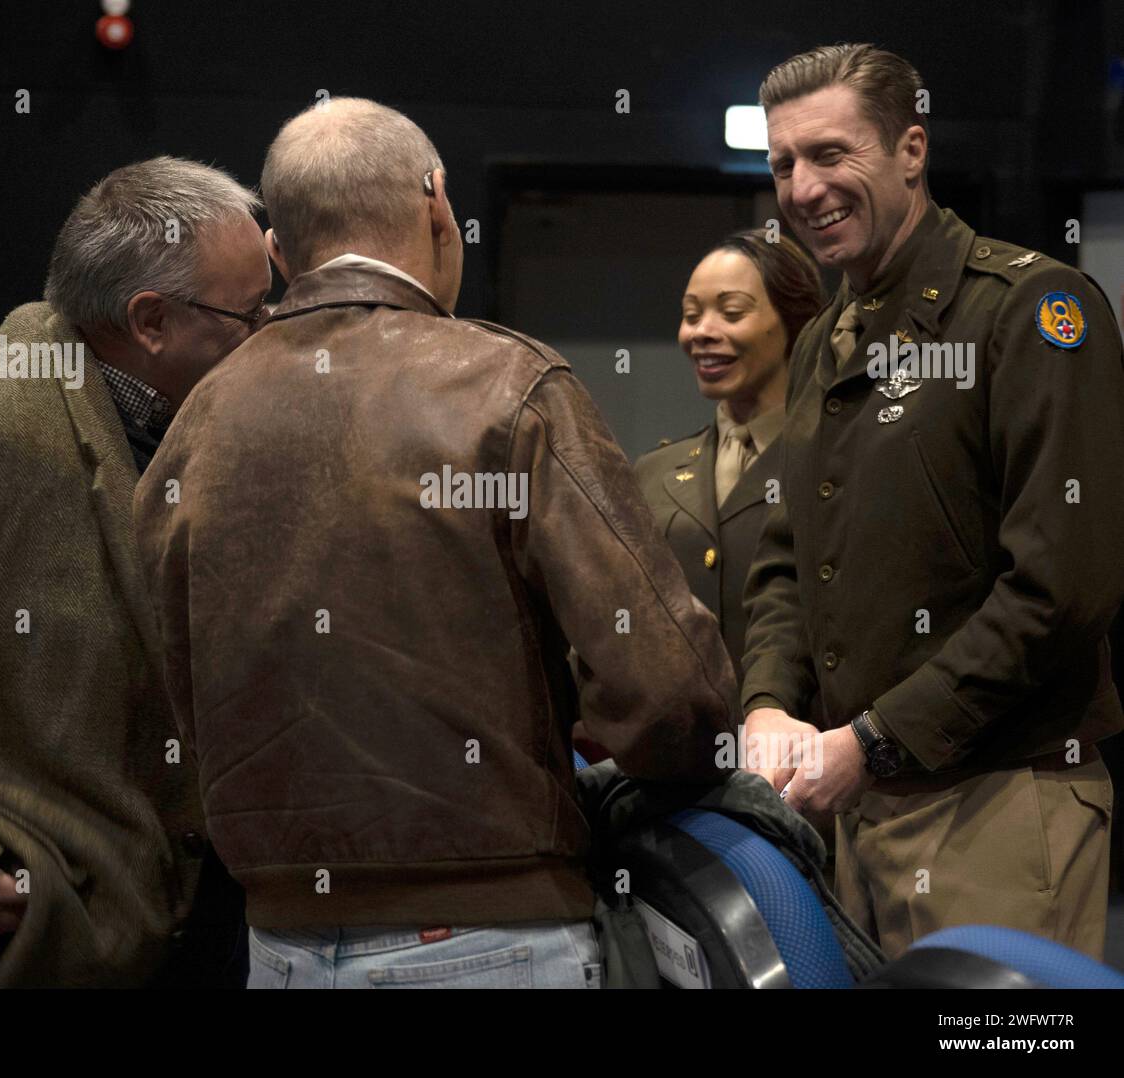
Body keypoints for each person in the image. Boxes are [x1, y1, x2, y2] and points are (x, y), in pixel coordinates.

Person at [134, 98, 739, 990]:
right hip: (497, 932)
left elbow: (176, 694)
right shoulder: (511, 385)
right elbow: (668, 691)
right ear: (436, 205)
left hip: (276, 944)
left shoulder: (196, 424)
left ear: (276, 252)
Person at [0, 156, 270, 986]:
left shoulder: (180, 421)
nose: (268, 332)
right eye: (248, 313)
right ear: (151, 322)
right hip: (8, 956)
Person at [742, 43, 1124, 959]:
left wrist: (872, 742)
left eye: (833, 154)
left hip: (996, 800)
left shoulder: (1030, 310)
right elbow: (789, 561)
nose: (804, 189)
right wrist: (765, 705)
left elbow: (1060, 587)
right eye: (784, 164)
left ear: (911, 151)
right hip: (854, 812)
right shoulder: (821, 342)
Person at [635, 229, 823, 679]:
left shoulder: (835, 459)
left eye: (732, 312)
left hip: (803, 738)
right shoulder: (650, 472)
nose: (701, 332)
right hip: (681, 743)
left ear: (795, 321)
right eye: (691, 315)